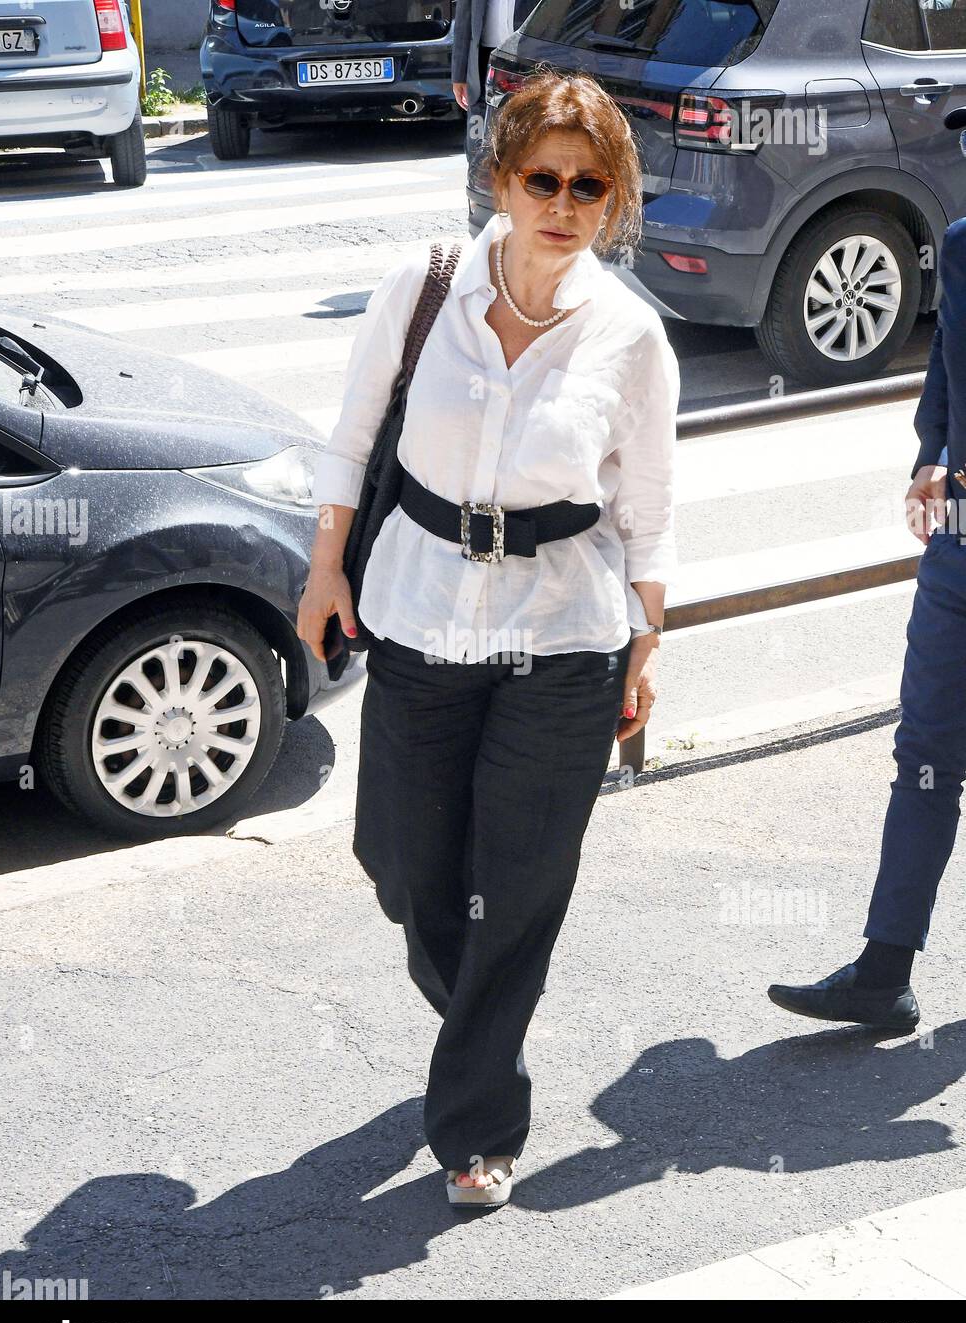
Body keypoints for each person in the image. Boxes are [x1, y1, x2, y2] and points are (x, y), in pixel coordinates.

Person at [297, 71, 679, 1206]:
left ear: (614, 200)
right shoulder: (426, 286)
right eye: (543, 178)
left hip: (564, 638)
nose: (565, 201)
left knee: (517, 889)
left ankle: (477, 1123)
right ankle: (479, 1026)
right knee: (405, 863)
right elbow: (354, 428)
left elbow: (648, 507)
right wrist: (325, 566)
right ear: (501, 179)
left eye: (590, 185)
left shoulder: (632, 335)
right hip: (419, 617)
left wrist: (648, 644)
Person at [768, 107, 966, 1031]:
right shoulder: (962, 247)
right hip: (961, 546)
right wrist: (931, 455)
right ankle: (884, 975)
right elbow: (946, 380)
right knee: (923, 754)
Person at [451, 0, 537, 157]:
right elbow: (463, 20)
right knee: (478, 142)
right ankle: (477, 177)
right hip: (483, 61)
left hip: (525, 58)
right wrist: (459, 75)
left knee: (522, 133)